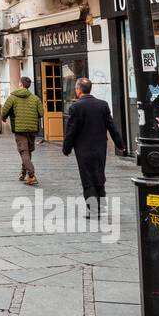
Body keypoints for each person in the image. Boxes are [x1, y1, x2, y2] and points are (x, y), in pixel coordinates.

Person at [62, 77, 125, 216]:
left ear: (78, 90)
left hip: (83, 149)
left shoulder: (75, 107)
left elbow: (71, 131)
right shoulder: (102, 105)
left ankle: (93, 208)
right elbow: (112, 126)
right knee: (99, 174)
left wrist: (66, 148)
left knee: (87, 178)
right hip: (100, 148)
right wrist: (120, 144)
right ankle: (101, 204)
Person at [1, 76, 44, 185]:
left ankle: (31, 174)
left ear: (20, 84)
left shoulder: (13, 97)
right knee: (28, 151)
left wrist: (3, 118)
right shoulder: (35, 98)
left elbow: (4, 110)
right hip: (32, 129)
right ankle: (23, 173)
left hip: (19, 129)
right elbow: (41, 113)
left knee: (24, 151)